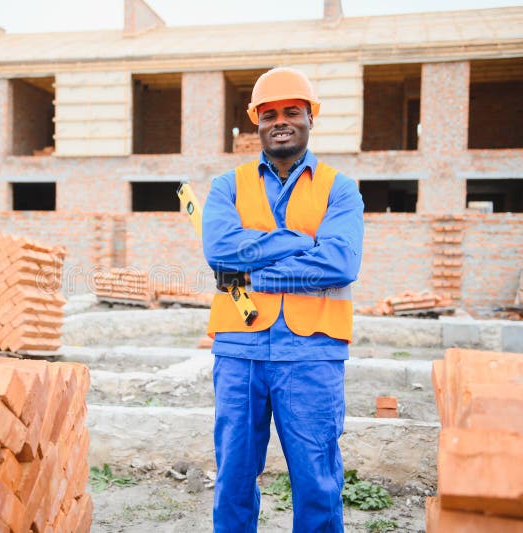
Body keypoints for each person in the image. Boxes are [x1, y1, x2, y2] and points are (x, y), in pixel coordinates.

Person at [202, 66, 364, 532]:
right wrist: (301, 242)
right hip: (240, 349)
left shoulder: (339, 188)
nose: (281, 121)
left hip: (313, 351)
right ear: (257, 121)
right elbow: (220, 249)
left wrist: (255, 274)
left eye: (292, 111)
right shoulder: (227, 186)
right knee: (233, 476)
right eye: (269, 114)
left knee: (317, 480)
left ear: (311, 116)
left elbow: (339, 262)